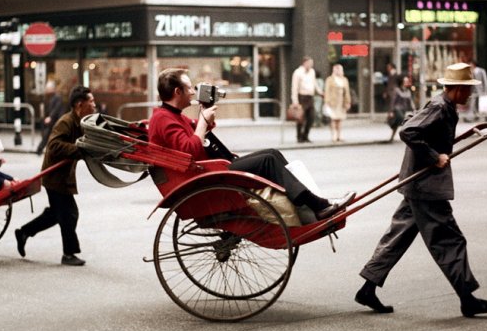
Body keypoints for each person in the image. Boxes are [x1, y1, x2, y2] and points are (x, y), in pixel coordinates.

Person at [355, 63, 487, 318]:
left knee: (397, 237)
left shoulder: (445, 106)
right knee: (450, 239)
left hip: (416, 185)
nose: (469, 94)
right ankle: (468, 299)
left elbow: (411, 122)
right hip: (425, 187)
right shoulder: (439, 106)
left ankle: (368, 288)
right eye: (467, 89)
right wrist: (434, 156)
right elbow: (408, 130)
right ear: (455, 88)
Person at [149, 68, 355, 222]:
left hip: (209, 168)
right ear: (177, 91)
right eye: (189, 88)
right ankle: (318, 205)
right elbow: (190, 148)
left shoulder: (172, 115)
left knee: (272, 154)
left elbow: (198, 131)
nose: (193, 92)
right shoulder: (164, 119)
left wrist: (205, 116)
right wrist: (203, 120)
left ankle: (309, 205)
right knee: (267, 161)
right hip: (204, 175)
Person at [14, 85, 96, 266]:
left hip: (64, 176)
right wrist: (79, 150)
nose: (94, 105)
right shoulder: (66, 122)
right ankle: (68, 254)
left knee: (56, 214)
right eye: (91, 101)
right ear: (79, 104)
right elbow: (54, 145)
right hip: (55, 177)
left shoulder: (81, 121)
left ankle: (24, 232)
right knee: (69, 214)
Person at [291, 56, 318, 143]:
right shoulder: (298, 72)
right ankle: (299, 136)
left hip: (310, 96)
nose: (311, 65)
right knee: (300, 118)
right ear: (305, 63)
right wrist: (295, 101)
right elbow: (294, 87)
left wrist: (320, 92)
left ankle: (305, 135)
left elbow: (314, 83)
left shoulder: (312, 72)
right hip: (301, 96)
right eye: (310, 63)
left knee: (311, 117)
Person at [324, 63, 351, 143]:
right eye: (337, 69)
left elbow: (347, 92)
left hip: (341, 101)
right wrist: (327, 101)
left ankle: (339, 135)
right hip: (332, 101)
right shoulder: (330, 79)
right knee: (333, 119)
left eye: (340, 69)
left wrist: (348, 102)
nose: (338, 71)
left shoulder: (344, 79)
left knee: (340, 119)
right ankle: (333, 135)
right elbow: (327, 91)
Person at [36, 80, 64, 155]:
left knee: (49, 136)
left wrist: (50, 117)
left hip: (56, 121)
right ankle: (40, 149)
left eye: (48, 88)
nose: (47, 89)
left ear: (52, 88)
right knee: (47, 135)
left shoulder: (57, 97)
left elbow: (56, 109)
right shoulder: (49, 97)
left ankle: (40, 149)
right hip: (52, 121)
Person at [386, 75, 415, 142]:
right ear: (402, 82)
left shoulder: (408, 91)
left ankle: (392, 138)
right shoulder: (397, 90)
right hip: (397, 109)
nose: (407, 82)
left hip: (403, 110)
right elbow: (393, 101)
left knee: (396, 125)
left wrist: (414, 109)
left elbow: (410, 101)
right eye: (405, 81)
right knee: (404, 120)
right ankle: (407, 136)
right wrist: (391, 111)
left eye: (407, 81)